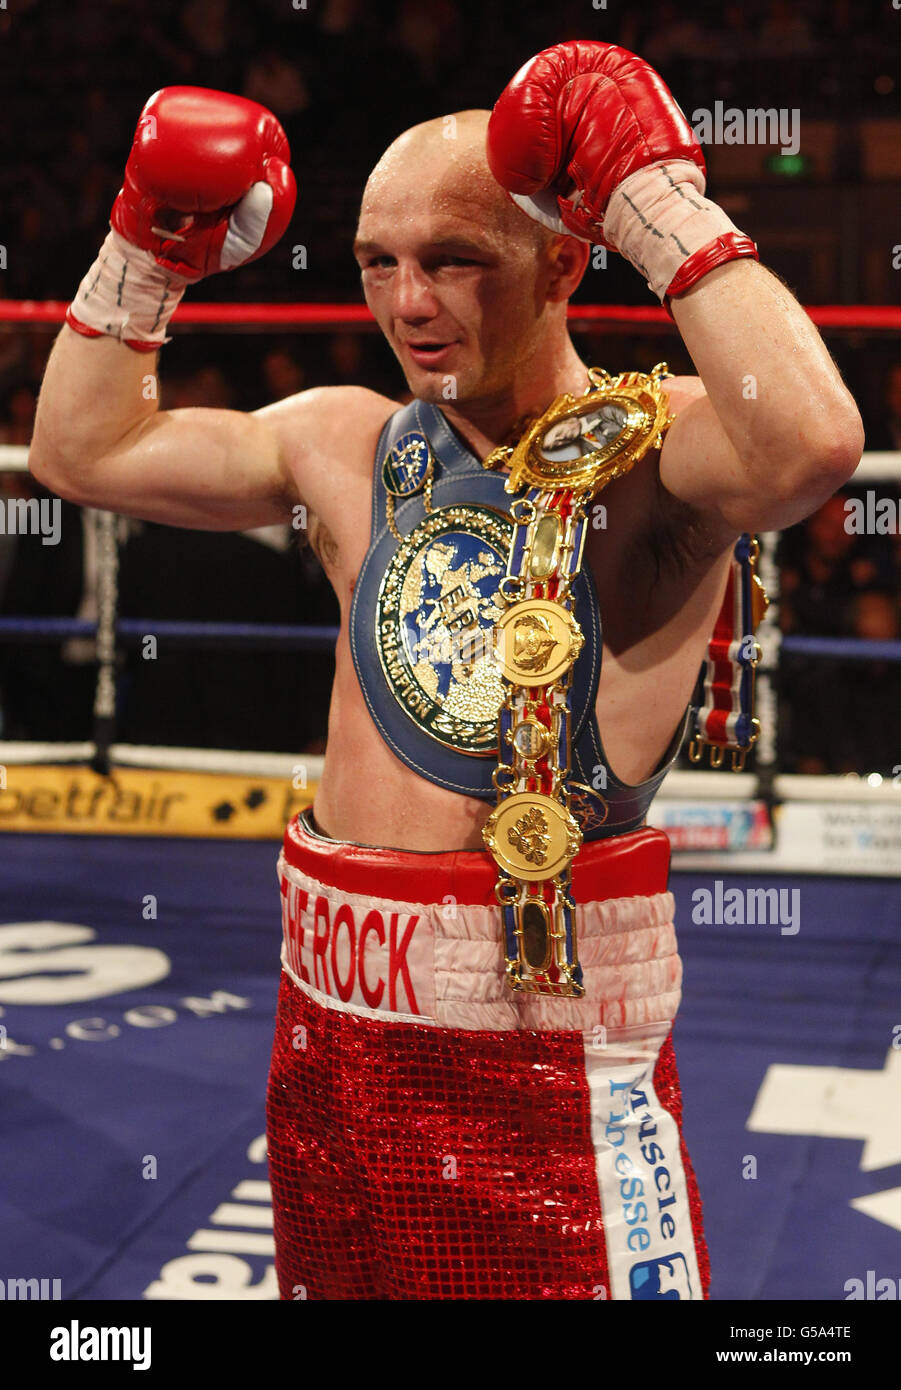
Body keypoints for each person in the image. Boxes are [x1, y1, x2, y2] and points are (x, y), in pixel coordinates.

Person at [28, 44, 863, 1300]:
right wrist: (147, 245)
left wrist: (658, 201)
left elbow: (814, 440)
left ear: (563, 258)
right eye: (378, 263)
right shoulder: (341, 443)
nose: (409, 301)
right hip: (326, 1018)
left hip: (538, 1051)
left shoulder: (655, 455)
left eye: (454, 259)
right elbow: (78, 452)